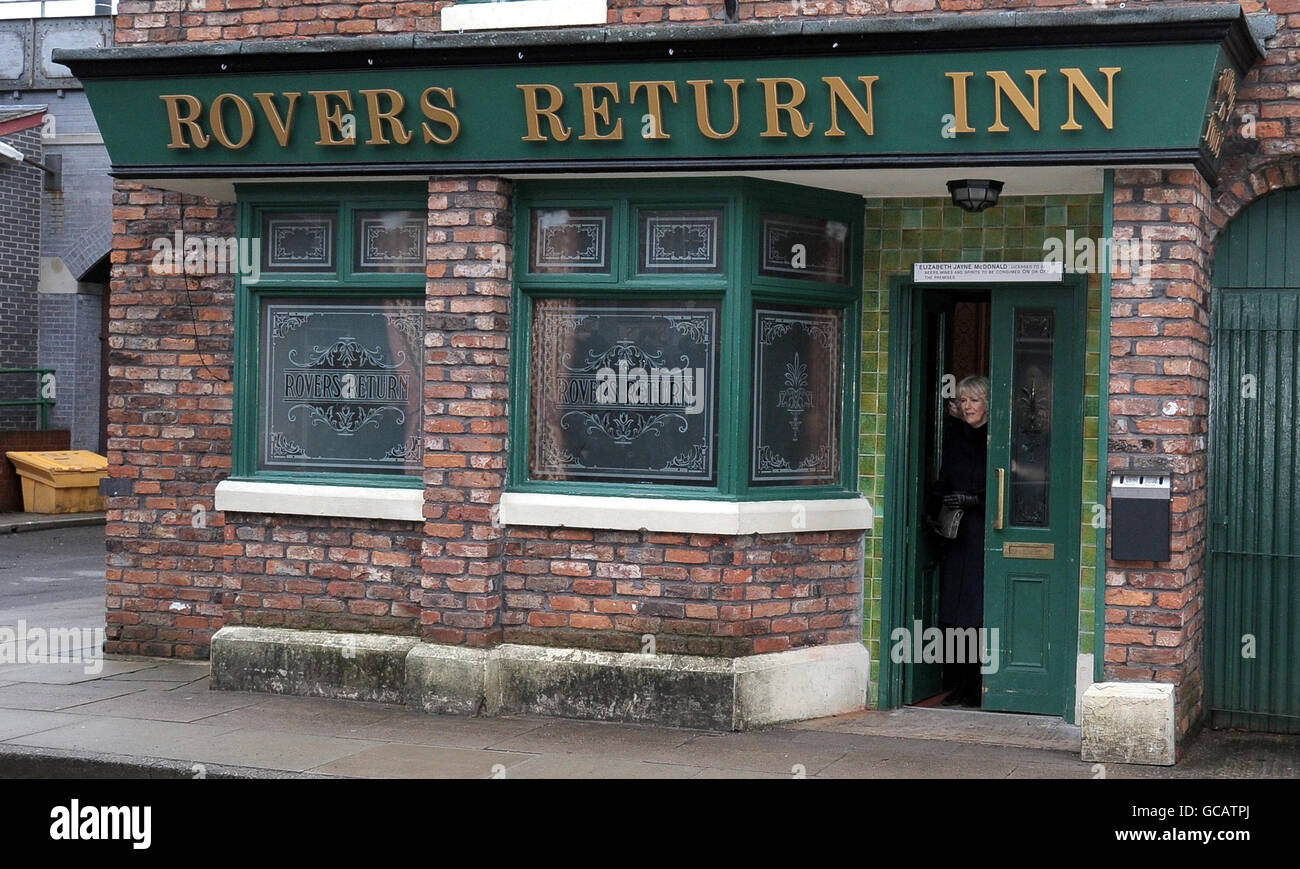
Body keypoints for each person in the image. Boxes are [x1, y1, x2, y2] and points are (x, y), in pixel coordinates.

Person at [934, 375, 989, 707]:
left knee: (976, 609)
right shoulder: (956, 436)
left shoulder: (995, 439)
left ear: (987, 405)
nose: (968, 406)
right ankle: (960, 682)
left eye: (975, 400)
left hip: (983, 532)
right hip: (956, 533)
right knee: (954, 609)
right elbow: (944, 477)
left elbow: (1009, 482)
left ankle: (978, 683)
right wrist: (934, 508)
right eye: (963, 400)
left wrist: (976, 501)